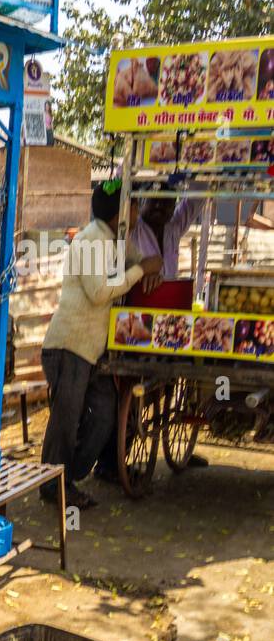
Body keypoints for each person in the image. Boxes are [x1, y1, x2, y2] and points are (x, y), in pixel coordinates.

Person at [40, 180, 164, 509]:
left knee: (104, 416)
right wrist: (140, 270)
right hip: (69, 346)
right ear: (119, 212)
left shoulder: (115, 240)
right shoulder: (91, 241)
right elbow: (99, 292)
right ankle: (55, 486)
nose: (138, 210)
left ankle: (69, 476)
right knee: (66, 420)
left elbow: (146, 262)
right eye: (133, 205)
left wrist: (150, 268)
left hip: (92, 349)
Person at [128, 194, 209, 469]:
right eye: (155, 202)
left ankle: (179, 427)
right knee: (131, 391)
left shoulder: (174, 228)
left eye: (168, 203)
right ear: (143, 204)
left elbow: (196, 199)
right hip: (139, 320)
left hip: (173, 322)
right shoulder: (134, 229)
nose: (161, 208)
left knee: (180, 374)